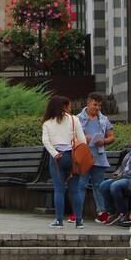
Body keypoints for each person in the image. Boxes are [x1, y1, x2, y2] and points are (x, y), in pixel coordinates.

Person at [42, 93, 88, 227]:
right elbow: (82, 140)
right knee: (75, 190)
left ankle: (59, 220)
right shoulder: (74, 119)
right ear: (63, 107)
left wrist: (55, 154)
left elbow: (45, 141)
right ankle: (79, 221)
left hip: (57, 158)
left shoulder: (47, 123)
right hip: (73, 156)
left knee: (59, 189)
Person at [75, 93, 116, 223]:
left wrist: (103, 141)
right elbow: (71, 136)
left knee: (98, 185)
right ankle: (77, 214)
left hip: (98, 157)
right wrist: (82, 138)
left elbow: (111, 137)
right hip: (83, 157)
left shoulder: (103, 119)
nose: (97, 107)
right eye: (95, 104)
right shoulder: (77, 119)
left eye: (99, 105)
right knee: (81, 185)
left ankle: (101, 213)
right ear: (88, 103)